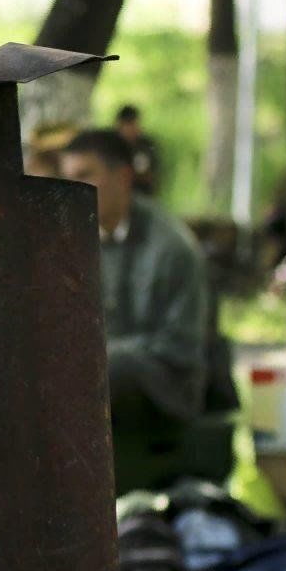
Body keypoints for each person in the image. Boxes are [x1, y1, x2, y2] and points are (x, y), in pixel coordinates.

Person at [57, 129, 221, 493]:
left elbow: (180, 348)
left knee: (102, 364)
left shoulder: (172, 248)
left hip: (168, 386)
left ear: (123, 177)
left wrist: (99, 357)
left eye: (85, 175)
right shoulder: (75, 239)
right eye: (66, 177)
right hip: (103, 381)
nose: (72, 188)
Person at [114, 104, 160, 195]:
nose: (132, 129)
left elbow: (150, 177)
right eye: (128, 125)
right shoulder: (112, 145)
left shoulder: (145, 146)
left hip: (141, 195)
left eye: (133, 124)